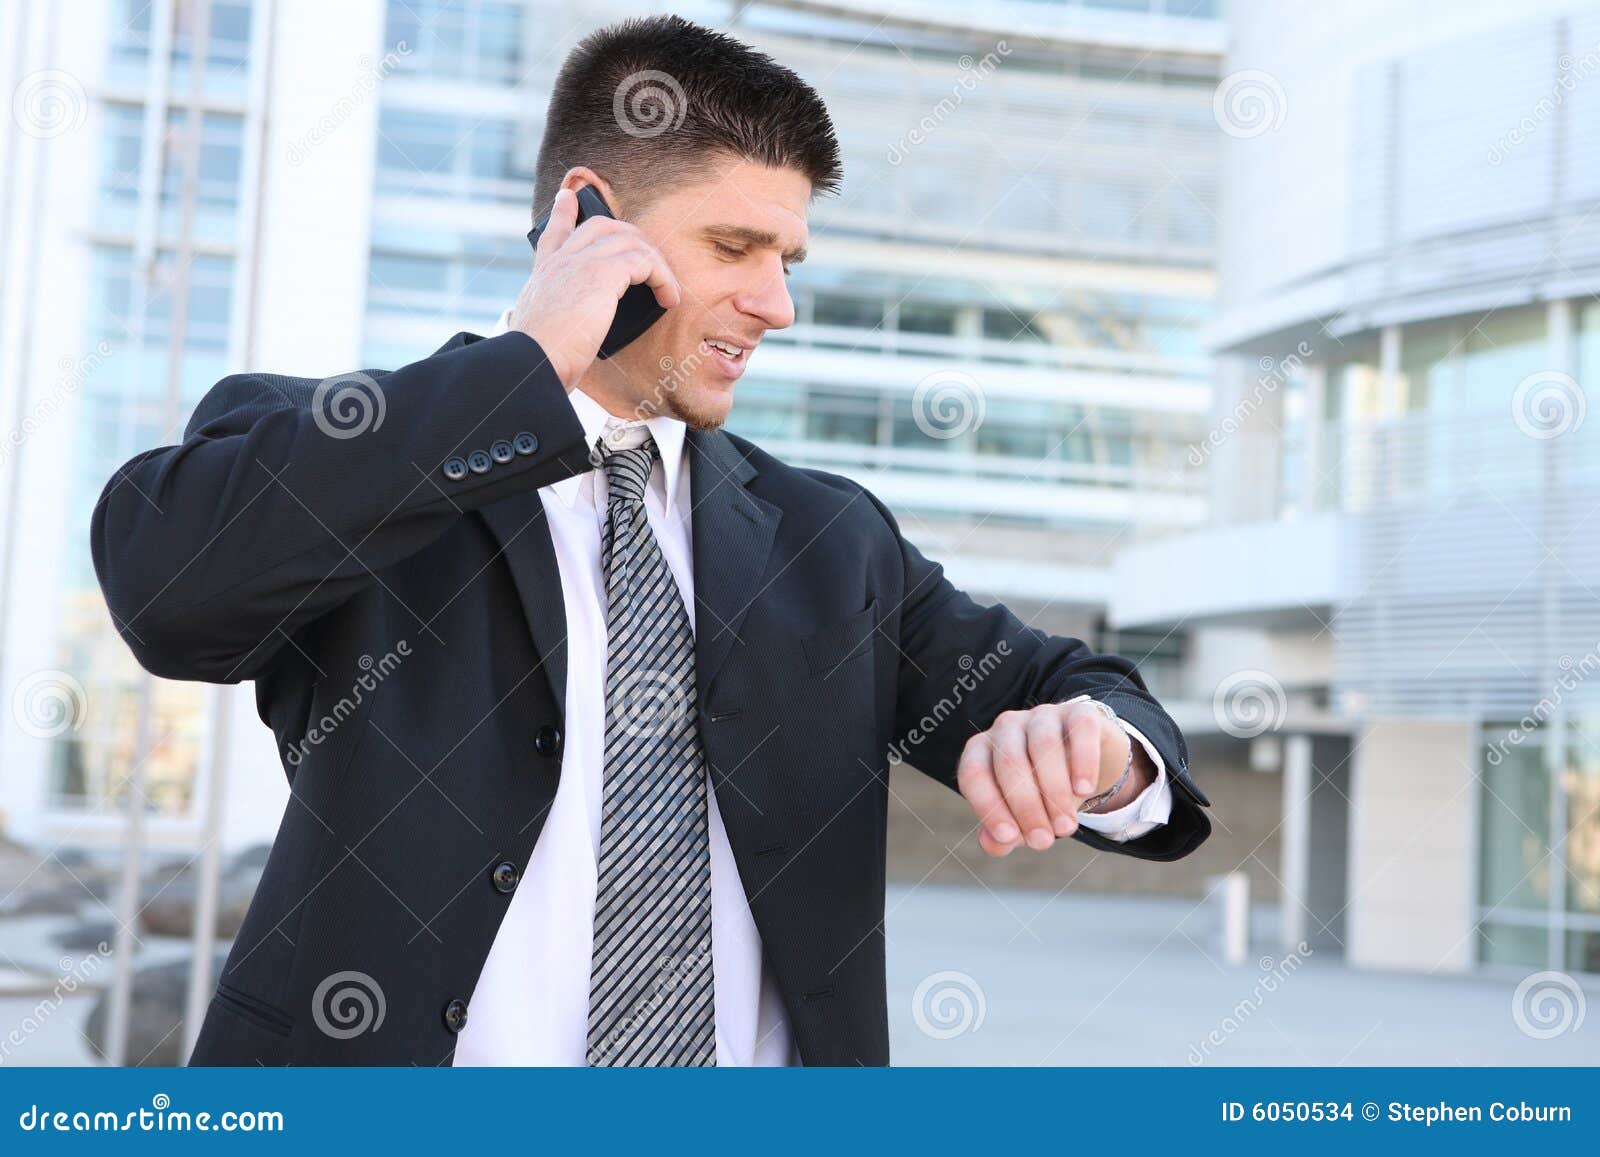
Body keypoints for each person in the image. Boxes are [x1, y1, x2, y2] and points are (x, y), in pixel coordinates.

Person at [90, 14, 1210, 1067]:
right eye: (735, 246)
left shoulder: (827, 540)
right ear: (587, 220)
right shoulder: (370, 454)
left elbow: (1079, 685)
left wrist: (1100, 747)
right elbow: (170, 590)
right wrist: (527, 365)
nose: (775, 304)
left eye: (789, 260)